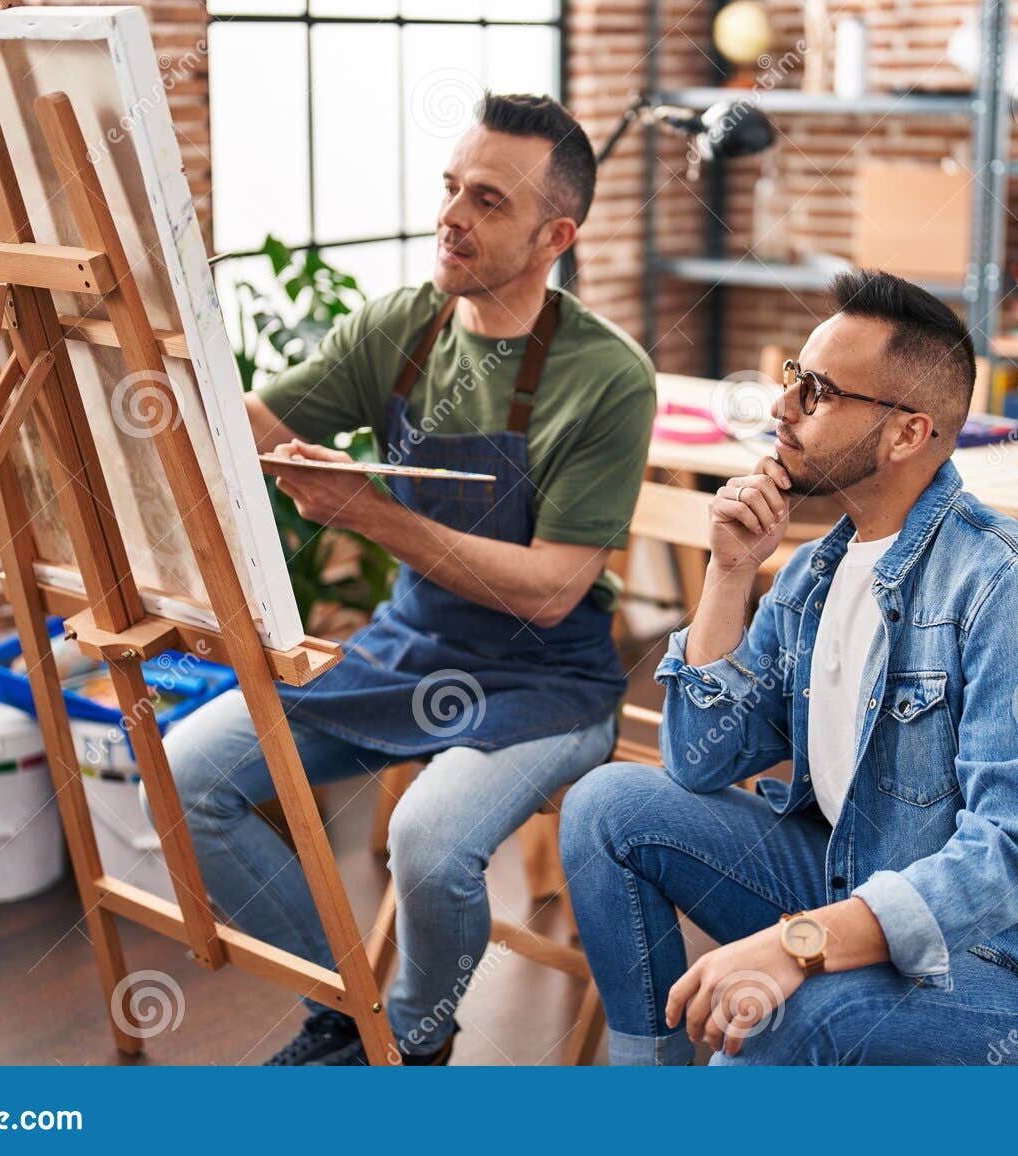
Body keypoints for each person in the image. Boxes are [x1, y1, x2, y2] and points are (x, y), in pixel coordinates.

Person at [156, 93, 655, 1066]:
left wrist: (369, 513)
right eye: (449, 187)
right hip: (407, 646)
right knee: (189, 774)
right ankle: (348, 1016)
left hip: (543, 682)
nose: (452, 216)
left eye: (488, 200)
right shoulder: (402, 327)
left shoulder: (607, 378)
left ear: (556, 234)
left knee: (426, 839)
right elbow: (253, 423)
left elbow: (554, 588)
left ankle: (416, 1046)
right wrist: (173, 371)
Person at [560, 269, 1018, 1066]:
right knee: (604, 806)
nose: (781, 407)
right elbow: (698, 759)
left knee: (772, 1017)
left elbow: (1010, 857)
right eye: (794, 378)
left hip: (1015, 974)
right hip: (851, 884)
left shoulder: (1017, 587)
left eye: (817, 392)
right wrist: (728, 574)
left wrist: (795, 946)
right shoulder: (810, 575)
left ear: (906, 433)